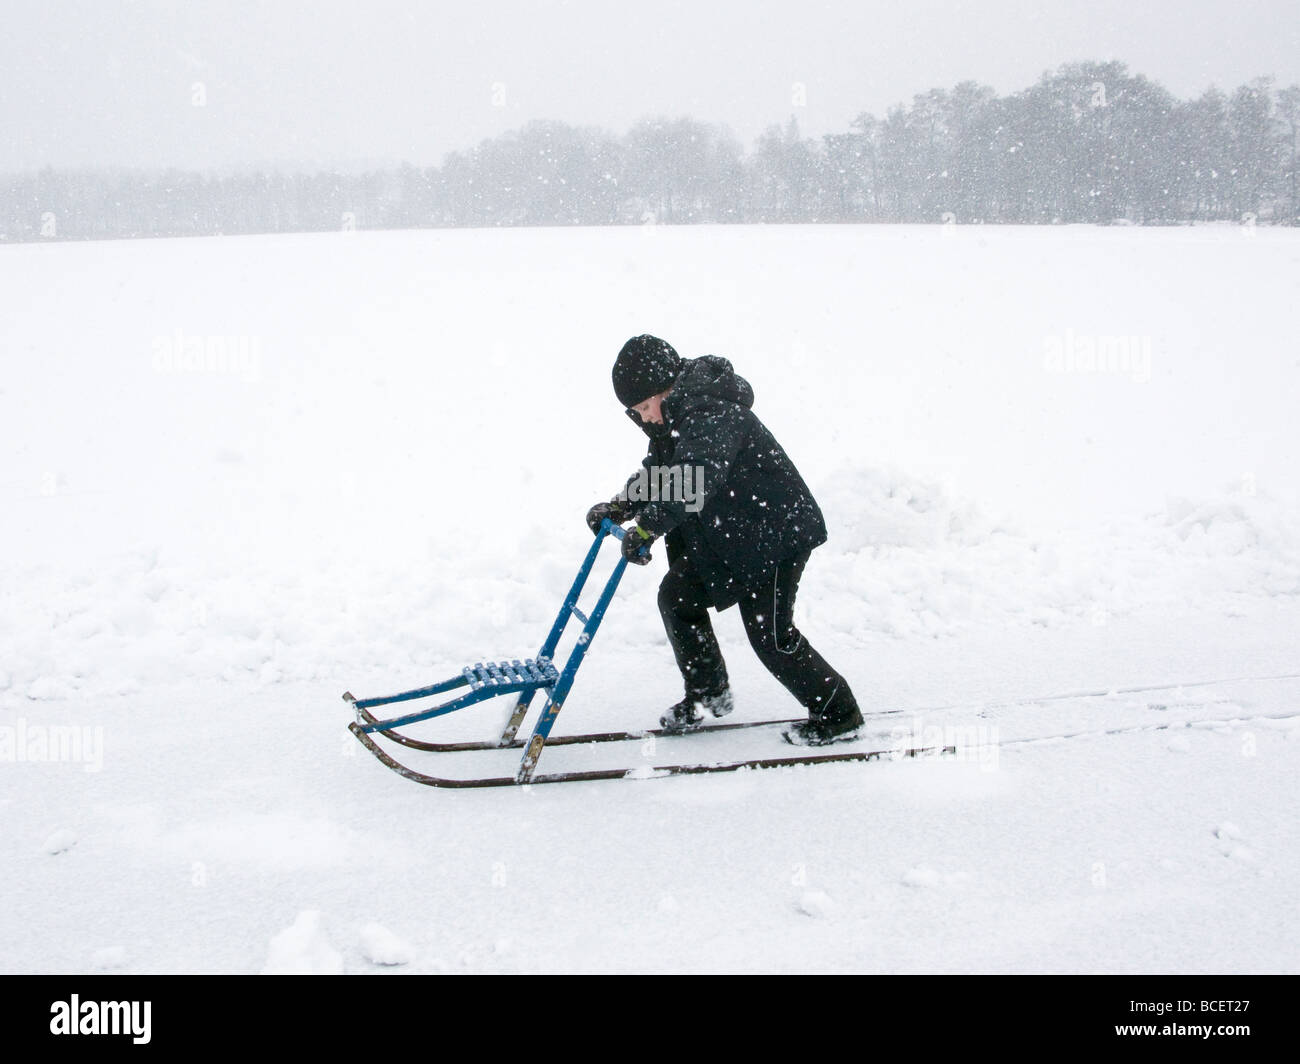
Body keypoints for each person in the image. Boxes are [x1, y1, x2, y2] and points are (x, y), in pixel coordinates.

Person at [586, 334, 864, 746]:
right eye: (637, 412)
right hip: (733, 539)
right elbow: (663, 473)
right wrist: (621, 507)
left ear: (664, 387)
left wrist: (649, 526)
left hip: (773, 535)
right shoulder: (674, 418)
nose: (645, 418)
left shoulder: (707, 409)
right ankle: (707, 692)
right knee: (677, 598)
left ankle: (840, 714)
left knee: (771, 637)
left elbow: (695, 477)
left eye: (645, 407)